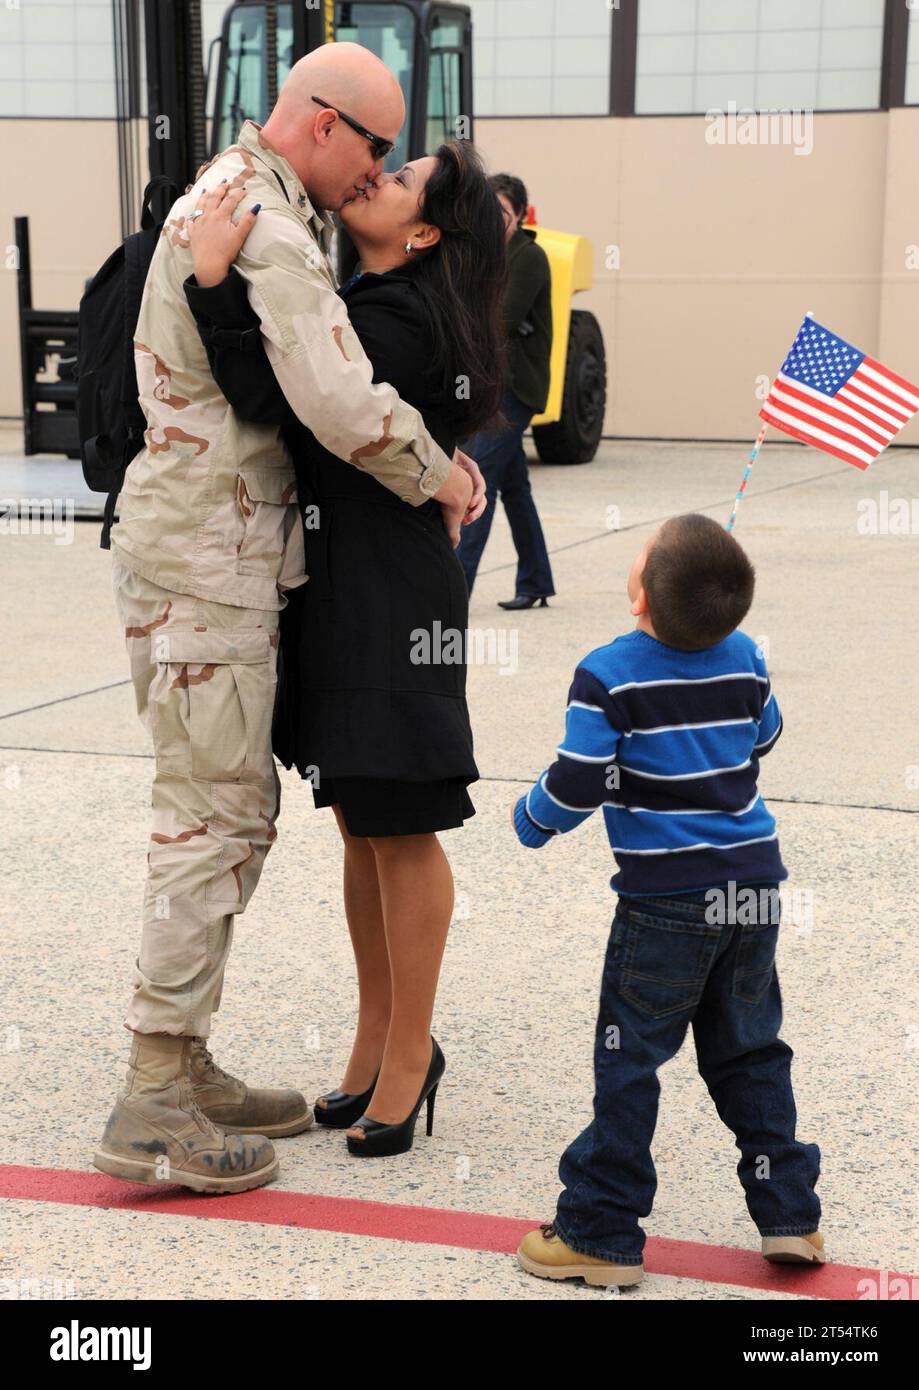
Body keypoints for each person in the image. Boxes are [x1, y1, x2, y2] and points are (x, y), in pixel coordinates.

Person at [93, 42, 483, 1195]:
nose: (377, 169)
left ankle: (186, 1061)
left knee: (228, 814)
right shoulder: (258, 218)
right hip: (205, 565)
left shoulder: (253, 200)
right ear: (323, 123)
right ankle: (154, 1093)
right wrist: (442, 474)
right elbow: (331, 396)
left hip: (212, 558)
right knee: (210, 824)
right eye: (375, 145)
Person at [181, 139, 507, 1158]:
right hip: (354, 587)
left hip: (386, 597)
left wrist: (209, 287)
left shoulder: (396, 317)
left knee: (401, 824)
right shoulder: (385, 302)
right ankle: (375, 1044)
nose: (377, 174)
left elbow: (284, 402)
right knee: (364, 824)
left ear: (423, 232)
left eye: (402, 177)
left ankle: (408, 1054)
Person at [510, 513, 823, 1287]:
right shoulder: (747, 656)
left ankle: (599, 1229)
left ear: (641, 594)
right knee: (750, 1050)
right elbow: (764, 736)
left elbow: (579, 778)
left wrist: (533, 818)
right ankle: (791, 1215)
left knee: (631, 1062)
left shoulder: (609, 672)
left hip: (665, 904)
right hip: (752, 888)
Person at [456, 173, 555, 609]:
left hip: (516, 386)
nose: (494, 221)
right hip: (494, 383)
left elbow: (504, 318)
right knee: (515, 485)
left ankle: (455, 592)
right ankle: (535, 580)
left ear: (517, 215)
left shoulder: (529, 257)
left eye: (502, 213)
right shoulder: (483, 255)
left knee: (481, 478)